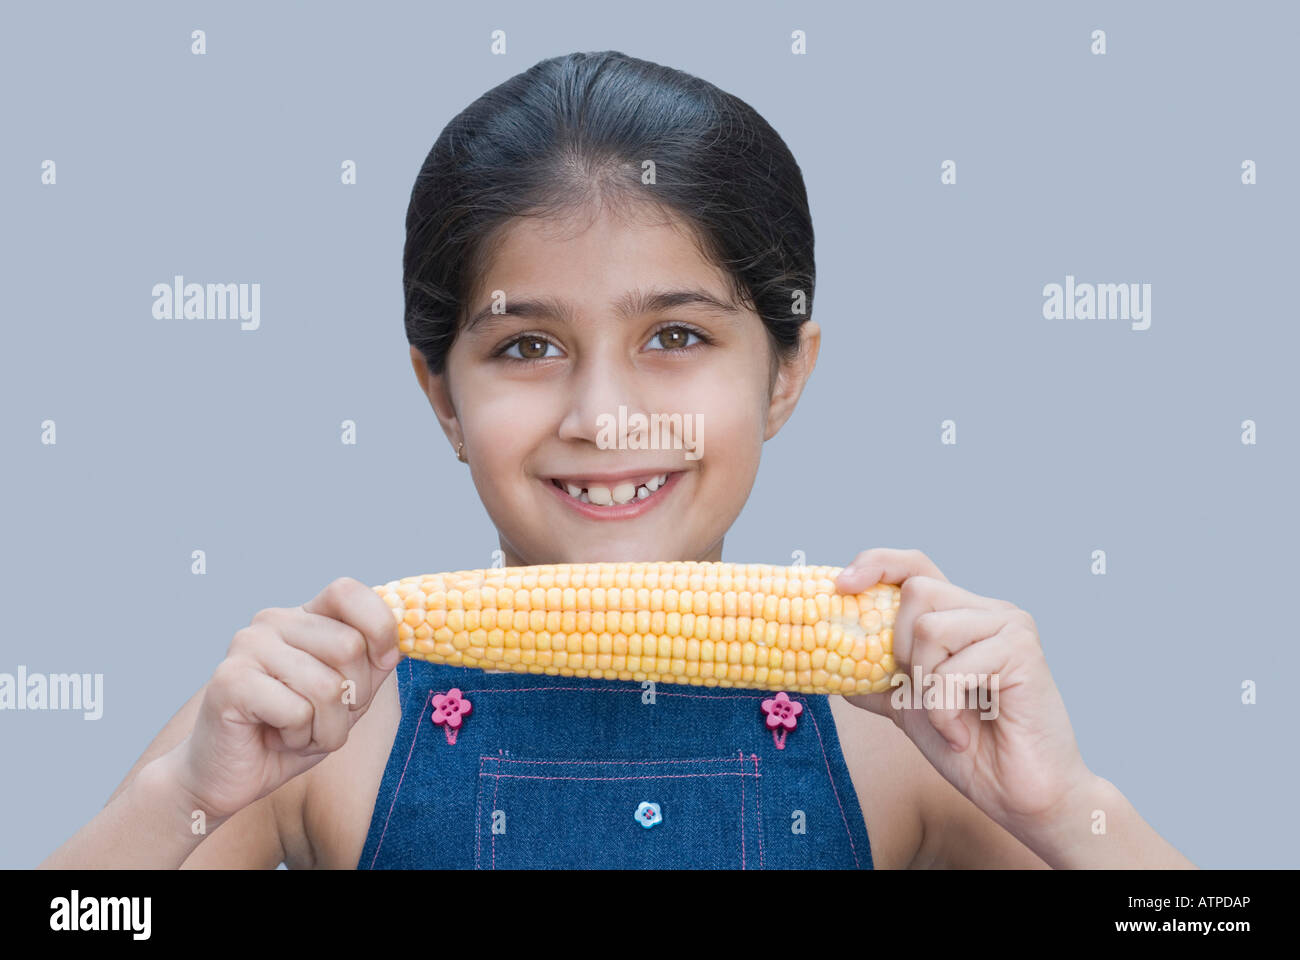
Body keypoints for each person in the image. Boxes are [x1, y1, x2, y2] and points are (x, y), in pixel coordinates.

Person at [41, 50, 1193, 869]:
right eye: (526, 346)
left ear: (784, 373)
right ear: (439, 394)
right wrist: (180, 804)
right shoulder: (326, 727)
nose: (605, 416)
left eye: (677, 337)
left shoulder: (896, 736)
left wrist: (1066, 812)